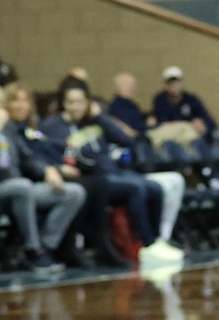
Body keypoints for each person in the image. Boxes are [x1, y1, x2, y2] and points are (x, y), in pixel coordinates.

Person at [40, 84, 184, 266]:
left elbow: (127, 141)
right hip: (91, 178)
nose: (75, 107)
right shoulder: (53, 127)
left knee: (155, 189)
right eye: (71, 102)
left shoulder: (94, 121)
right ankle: (147, 244)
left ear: (88, 103)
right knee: (136, 189)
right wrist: (59, 167)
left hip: (115, 172)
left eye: (80, 102)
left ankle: (157, 240)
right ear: (63, 103)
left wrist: (100, 117)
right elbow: (50, 153)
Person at [0, 82, 87, 270]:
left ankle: (46, 246)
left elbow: (27, 156)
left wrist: (48, 170)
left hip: (18, 186)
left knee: (74, 192)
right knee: (22, 186)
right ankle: (31, 250)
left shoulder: (7, 127)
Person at [152, 67, 216, 141]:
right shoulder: (160, 100)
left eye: (177, 82)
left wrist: (202, 125)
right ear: (165, 85)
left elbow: (209, 121)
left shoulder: (191, 99)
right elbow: (162, 122)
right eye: (170, 83)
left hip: (192, 136)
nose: (174, 86)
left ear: (182, 83)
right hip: (172, 137)